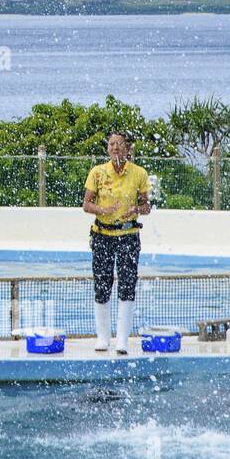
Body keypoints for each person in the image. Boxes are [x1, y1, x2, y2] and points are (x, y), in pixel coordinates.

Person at [82, 131, 151, 354]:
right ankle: (103, 338)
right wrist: (103, 210)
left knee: (127, 283)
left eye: (119, 144)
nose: (115, 148)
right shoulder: (98, 172)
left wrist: (137, 209)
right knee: (102, 283)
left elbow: (146, 207)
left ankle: (122, 340)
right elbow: (86, 205)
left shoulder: (139, 173)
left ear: (127, 149)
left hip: (128, 235)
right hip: (102, 234)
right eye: (111, 144)